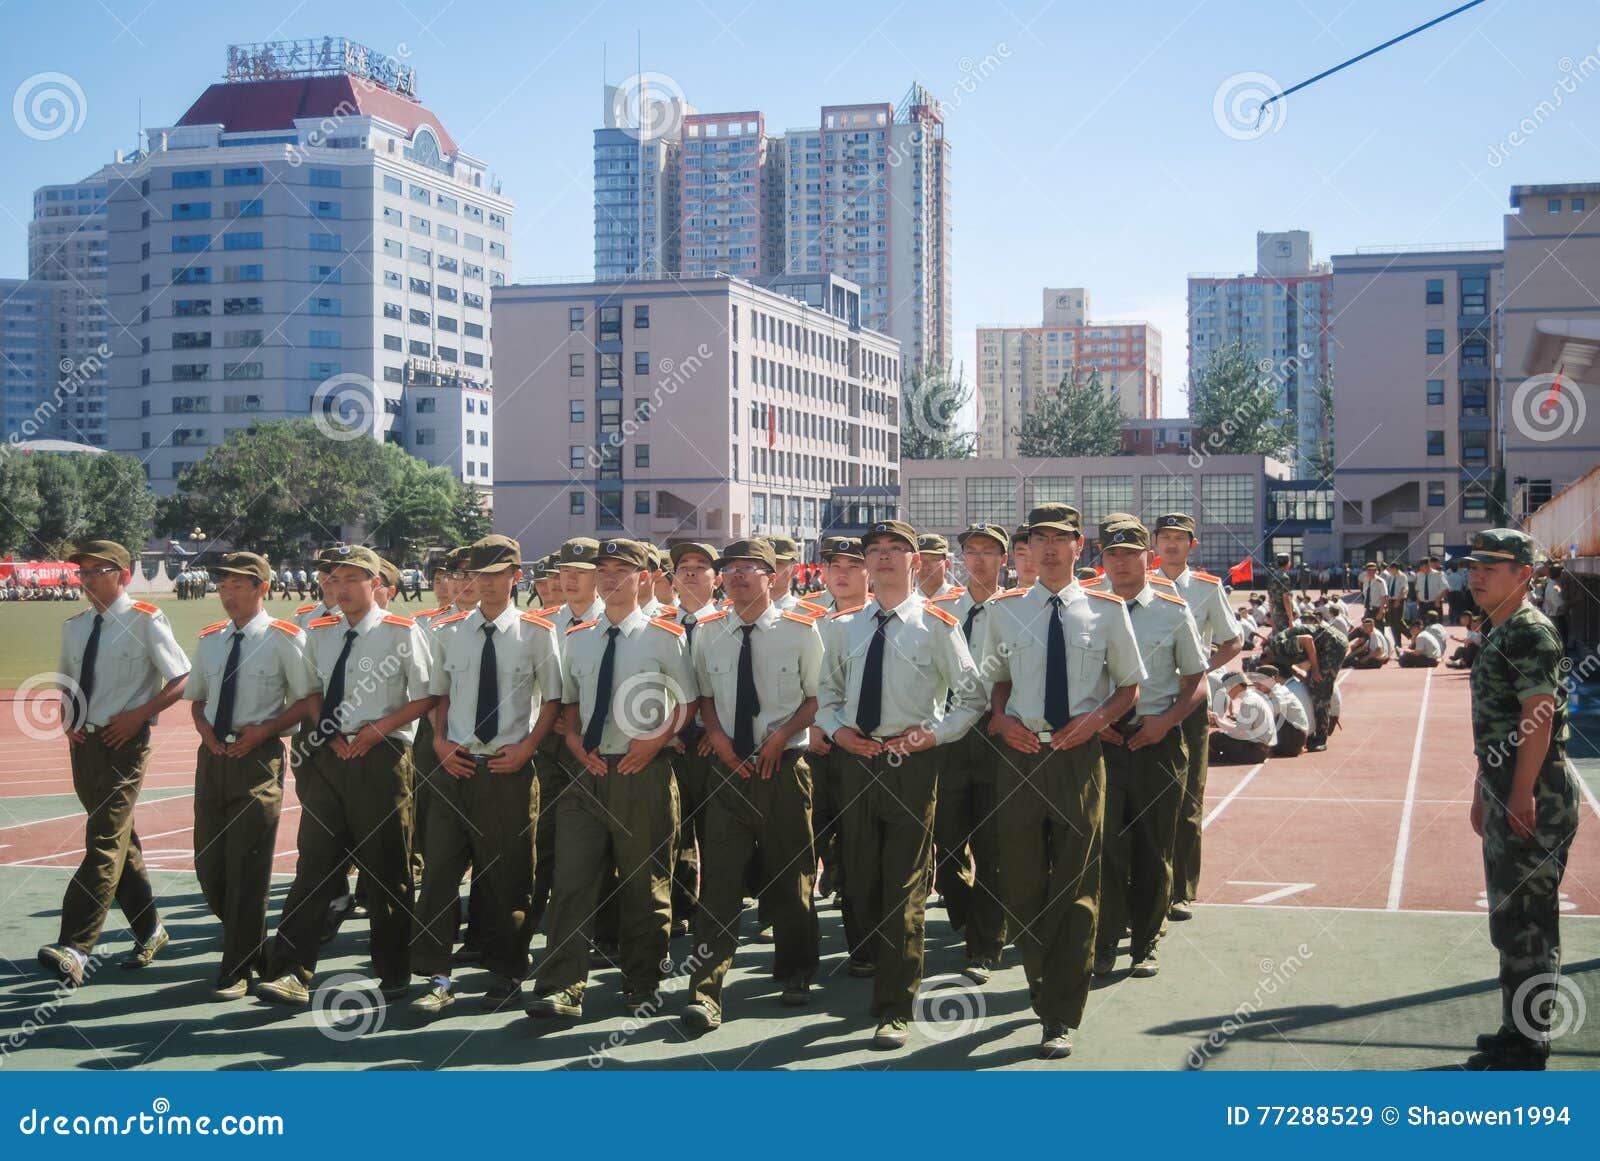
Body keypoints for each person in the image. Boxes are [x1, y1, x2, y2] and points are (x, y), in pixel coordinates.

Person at [979, 503, 1144, 1060]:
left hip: (1078, 757)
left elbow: (1128, 687)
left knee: (1076, 887)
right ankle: (1040, 982)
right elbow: (995, 683)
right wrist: (1000, 721)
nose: (1048, 548)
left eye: (1060, 538)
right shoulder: (1005, 611)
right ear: (1027, 549)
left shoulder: (1105, 610)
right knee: (1021, 883)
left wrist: (1095, 722)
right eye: (1039, 538)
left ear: (1079, 547)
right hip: (1020, 756)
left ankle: (1060, 1014)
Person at [817, 519, 984, 1051]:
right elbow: (826, 695)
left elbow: (972, 698)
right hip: (856, 761)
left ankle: (895, 1005)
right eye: (876, 549)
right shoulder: (843, 627)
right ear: (866, 562)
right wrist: (839, 731)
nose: (884, 556)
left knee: (905, 885)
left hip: (909, 765)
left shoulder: (937, 625)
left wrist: (931, 737)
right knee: (860, 879)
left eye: (896, 548)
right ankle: (874, 962)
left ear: (916, 561)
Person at [256, 545, 436, 1007]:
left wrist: (379, 730)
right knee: (314, 865)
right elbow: (312, 691)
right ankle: (290, 971)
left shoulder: (401, 632)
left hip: (382, 756)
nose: (341, 588)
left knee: (387, 868)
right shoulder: (320, 632)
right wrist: (328, 730)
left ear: (375, 584)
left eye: (352, 579)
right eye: (334, 579)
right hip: (329, 754)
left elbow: (426, 695)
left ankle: (394, 972)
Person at [527, 538, 696, 1020]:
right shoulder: (578, 637)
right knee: (571, 881)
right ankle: (562, 986)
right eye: (603, 570)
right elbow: (571, 705)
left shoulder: (665, 635)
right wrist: (575, 742)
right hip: (588, 772)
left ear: (643, 578)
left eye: (621, 570)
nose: (609, 578)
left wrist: (655, 742)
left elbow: (687, 704)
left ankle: (642, 982)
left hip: (642, 772)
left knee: (645, 884)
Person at [412, 536, 561, 1013]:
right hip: (454, 769)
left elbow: (554, 699)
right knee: (439, 874)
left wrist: (527, 748)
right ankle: (437, 977)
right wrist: (439, 742)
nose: (487, 584)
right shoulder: (449, 630)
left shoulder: (537, 633)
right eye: (478, 575)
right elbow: (439, 695)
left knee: (509, 877)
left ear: (516, 577)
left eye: (497, 575)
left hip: (508, 771)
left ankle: (506, 972)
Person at [682, 538, 823, 1029]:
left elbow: (816, 696)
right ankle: (705, 989)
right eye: (730, 568)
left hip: (783, 770)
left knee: (792, 876)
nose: (738, 575)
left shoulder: (801, 630)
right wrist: (718, 738)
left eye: (749, 567)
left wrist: (781, 736)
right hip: (729, 771)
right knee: (719, 882)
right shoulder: (708, 632)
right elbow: (703, 695)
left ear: (772, 575)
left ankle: (796, 971)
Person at [36, 541, 190, 988]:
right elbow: (68, 679)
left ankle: (75, 947)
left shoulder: (145, 619)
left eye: (95, 571)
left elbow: (182, 677)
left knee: (103, 839)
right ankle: (150, 928)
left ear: (122, 575)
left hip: (123, 743)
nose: (85, 579)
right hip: (84, 744)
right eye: (81, 572)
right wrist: (67, 714)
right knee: (120, 838)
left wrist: (139, 715)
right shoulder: (75, 626)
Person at [1459, 529, 1580, 1070]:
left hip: (1537, 792)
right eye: (1474, 566)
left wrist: (1520, 792)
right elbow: (1497, 725)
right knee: (1511, 921)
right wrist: (1484, 789)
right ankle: (1516, 1030)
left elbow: (1538, 715)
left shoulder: (1530, 632)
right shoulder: (1500, 629)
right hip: (1509, 785)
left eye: (1491, 567)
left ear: (1524, 575)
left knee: (1529, 923)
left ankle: (1529, 1044)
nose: (1477, 575)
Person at [186, 552, 318, 998]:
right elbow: (198, 700)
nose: (228, 595)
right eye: (223, 586)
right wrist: (204, 731)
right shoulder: (211, 640)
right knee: (209, 867)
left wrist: (265, 730)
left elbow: (307, 699)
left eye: (238, 586)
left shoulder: (285, 639)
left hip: (258, 759)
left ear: (263, 588)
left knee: (248, 865)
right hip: (212, 759)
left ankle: (236, 970)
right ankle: (257, 949)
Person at [1086, 516, 1206, 980]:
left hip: (1156, 740)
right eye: (1112, 554)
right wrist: (1094, 723)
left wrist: (1165, 722)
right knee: (1105, 849)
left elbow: (1196, 682)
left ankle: (1145, 942)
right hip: (1103, 743)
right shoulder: (1087, 608)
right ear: (1102, 558)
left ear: (1148, 558)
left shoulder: (1173, 611)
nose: (1120, 562)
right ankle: (1104, 940)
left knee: (1154, 849)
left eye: (1130, 554)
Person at [926, 522, 1011, 985]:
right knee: (945, 838)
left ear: (1003, 560)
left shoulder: (1017, 610)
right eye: (972, 551)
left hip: (997, 736)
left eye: (989, 552)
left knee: (993, 845)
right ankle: (963, 910)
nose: (979, 559)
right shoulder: (941, 611)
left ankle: (985, 943)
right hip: (949, 737)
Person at [1150, 512, 1244, 923]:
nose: (1172, 544)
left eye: (1180, 538)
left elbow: (1233, 641)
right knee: (1144, 798)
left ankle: (1180, 891)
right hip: (1146, 702)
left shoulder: (1207, 588)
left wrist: (1200, 670)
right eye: (1165, 537)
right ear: (1154, 544)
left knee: (1188, 799)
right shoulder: (1140, 586)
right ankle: (1146, 886)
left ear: (1193, 544)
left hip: (1188, 704)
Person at [808, 535, 873, 972]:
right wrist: (813, 726)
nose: (843, 573)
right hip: (811, 750)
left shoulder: (881, 620)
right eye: (835, 566)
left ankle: (862, 946)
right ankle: (800, 957)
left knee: (859, 851)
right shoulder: (806, 619)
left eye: (853, 565)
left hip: (862, 750)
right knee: (804, 849)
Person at [667, 540, 723, 938]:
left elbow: (734, 686)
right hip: (665, 744)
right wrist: (664, 734)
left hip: (713, 744)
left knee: (716, 833)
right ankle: (679, 906)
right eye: (683, 564)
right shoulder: (656, 625)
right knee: (672, 833)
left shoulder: (729, 625)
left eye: (701, 565)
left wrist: (716, 732)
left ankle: (717, 910)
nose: (690, 571)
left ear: (716, 579)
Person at [1261, 614, 1348, 752]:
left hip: (1333, 645)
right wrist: (1307, 678)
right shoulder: (1278, 656)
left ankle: (1321, 739)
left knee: (1320, 689)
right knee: (1312, 683)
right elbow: (1293, 670)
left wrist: (1315, 669)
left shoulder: (1279, 647)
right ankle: (1314, 730)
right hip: (1322, 647)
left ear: (1266, 657)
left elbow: (1307, 640)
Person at [1208, 673, 1276, 764]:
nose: (1226, 693)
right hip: (1261, 747)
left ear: (1236, 686)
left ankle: (1218, 759)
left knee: (1216, 738)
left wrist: (1219, 722)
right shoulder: (1253, 697)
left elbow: (1241, 732)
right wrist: (1221, 722)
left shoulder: (1249, 703)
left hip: (1256, 751)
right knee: (1221, 736)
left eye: (1227, 688)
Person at [1254, 665, 1309, 757]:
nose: (1257, 685)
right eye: (1256, 681)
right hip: (1291, 734)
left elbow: (1268, 714)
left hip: (1294, 738)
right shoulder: (1268, 692)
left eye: (1260, 681)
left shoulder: (1280, 693)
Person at [915, 534, 963, 600]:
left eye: (934, 560)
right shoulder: (904, 601)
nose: (926, 567)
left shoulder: (962, 600)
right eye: (920, 560)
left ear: (947, 565)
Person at [1266, 552, 1295, 632]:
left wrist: (1272, 616)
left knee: (1277, 636)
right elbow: (1286, 599)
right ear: (1288, 563)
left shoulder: (1272, 577)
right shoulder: (1285, 578)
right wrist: (1290, 618)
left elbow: (1270, 599)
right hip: (1283, 614)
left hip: (1275, 613)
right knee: (1285, 636)